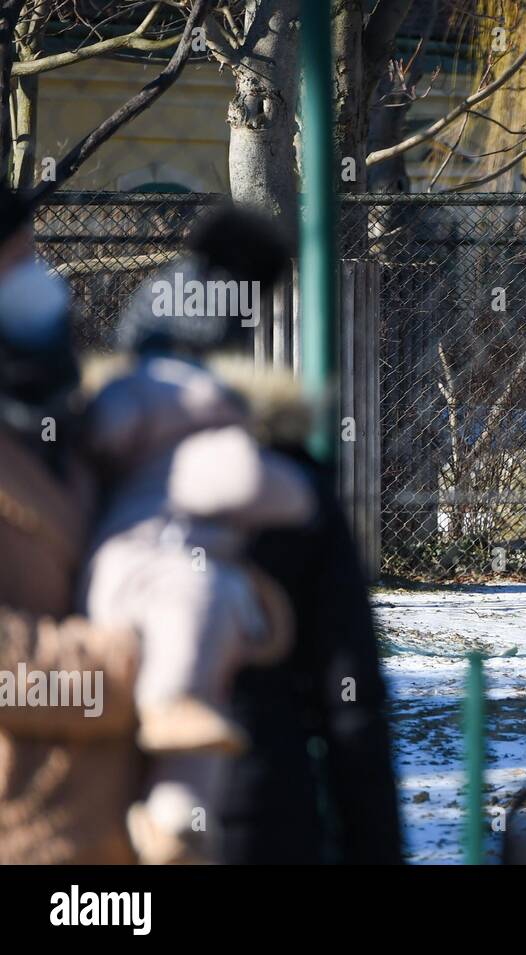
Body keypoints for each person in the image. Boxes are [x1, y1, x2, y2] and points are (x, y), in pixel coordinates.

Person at [79, 265, 318, 863]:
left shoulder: (71, 464)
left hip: (85, 786)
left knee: (198, 745)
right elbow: (350, 693)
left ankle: (174, 823)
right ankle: (173, 720)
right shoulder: (244, 449)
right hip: (257, 799)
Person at [0, 187, 142, 864]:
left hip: (109, 841)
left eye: (34, 256)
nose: (39, 282)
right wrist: (135, 667)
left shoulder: (77, 429)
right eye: (15, 261)